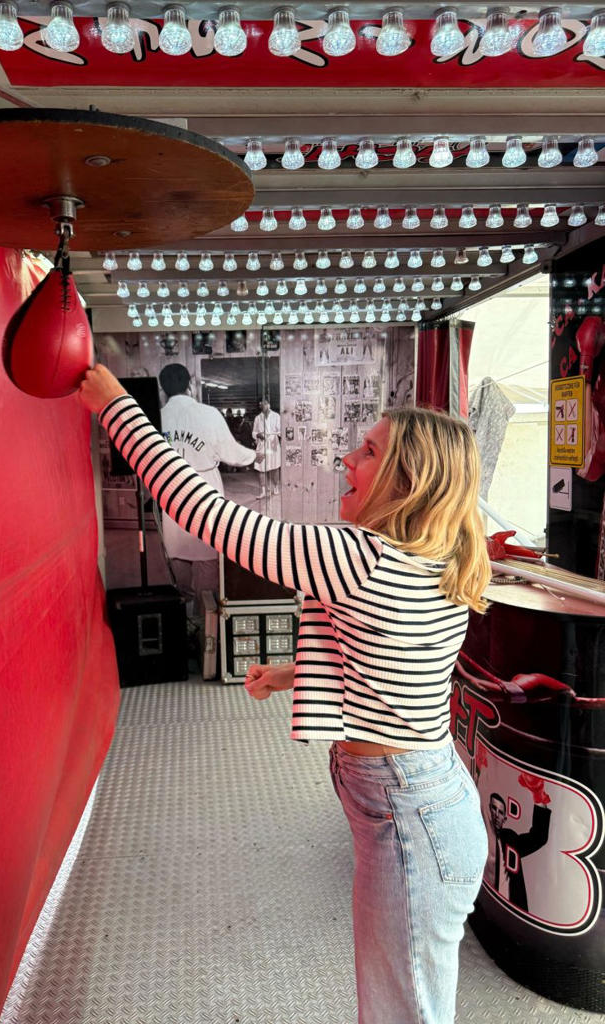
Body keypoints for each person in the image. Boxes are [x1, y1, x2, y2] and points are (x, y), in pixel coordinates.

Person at [79, 365, 492, 1024]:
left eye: (369, 452)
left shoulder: (361, 556)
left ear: (407, 482)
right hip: (424, 796)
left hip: (410, 814)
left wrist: (115, 406)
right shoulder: (434, 556)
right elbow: (394, 666)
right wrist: (291, 672)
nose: (347, 458)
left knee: (401, 1014)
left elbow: (205, 513)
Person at [157, 363, 255, 614]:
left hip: (171, 492)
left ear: (162, 389)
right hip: (204, 491)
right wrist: (255, 456)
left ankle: (184, 617)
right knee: (207, 557)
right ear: (190, 385)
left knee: (177, 555)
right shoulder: (208, 414)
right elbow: (231, 454)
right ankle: (206, 629)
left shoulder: (158, 416)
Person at [485, 775, 552, 912]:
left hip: (512, 910)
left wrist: (538, 795)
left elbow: (539, 837)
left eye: (500, 812)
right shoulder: (480, 829)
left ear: (505, 819)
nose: (496, 814)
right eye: (493, 808)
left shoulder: (509, 838)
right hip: (482, 905)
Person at [252, 398, 281, 499]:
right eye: (260, 405)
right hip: (262, 445)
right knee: (260, 468)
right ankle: (263, 491)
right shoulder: (257, 418)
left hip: (273, 445)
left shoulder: (276, 416)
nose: (262, 406)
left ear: (268, 404)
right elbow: (253, 433)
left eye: (264, 404)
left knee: (275, 467)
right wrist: (258, 435)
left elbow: (280, 431)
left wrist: (274, 435)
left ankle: (276, 486)